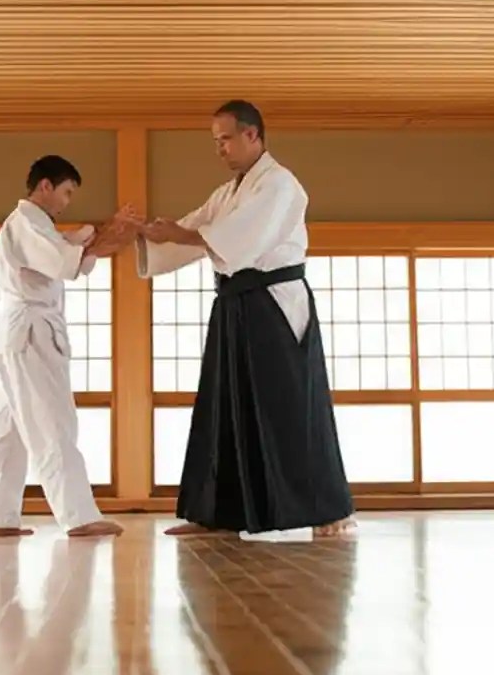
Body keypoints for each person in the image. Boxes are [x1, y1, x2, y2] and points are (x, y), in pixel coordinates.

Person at [137, 100, 356, 537]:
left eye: (226, 138)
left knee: (289, 406)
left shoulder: (279, 185)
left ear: (252, 135)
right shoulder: (229, 192)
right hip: (234, 304)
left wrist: (176, 233)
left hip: (273, 302)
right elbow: (193, 229)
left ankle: (329, 510)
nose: (220, 149)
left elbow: (238, 242)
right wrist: (145, 232)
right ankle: (218, 514)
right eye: (215, 141)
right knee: (224, 406)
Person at [0, 155, 140, 538]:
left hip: (12, 332)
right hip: (28, 330)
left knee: (7, 427)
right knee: (53, 420)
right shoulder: (27, 222)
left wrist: (104, 235)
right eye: (65, 192)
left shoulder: (32, 227)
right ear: (44, 186)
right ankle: (78, 515)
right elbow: (69, 259)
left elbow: (72, 254)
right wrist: (111, 232)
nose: (67, 201)